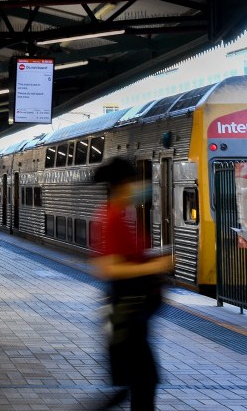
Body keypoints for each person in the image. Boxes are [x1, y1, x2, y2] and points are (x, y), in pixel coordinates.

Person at [91, 157, 173, 411]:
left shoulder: (120, 214)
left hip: (132, 313)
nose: (140, 186)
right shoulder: (111, 216)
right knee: (142, 382)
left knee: (139, 383)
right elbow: (107, 267)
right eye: (135, 180)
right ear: (123, 184)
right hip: (126, 312)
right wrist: (156, 266)